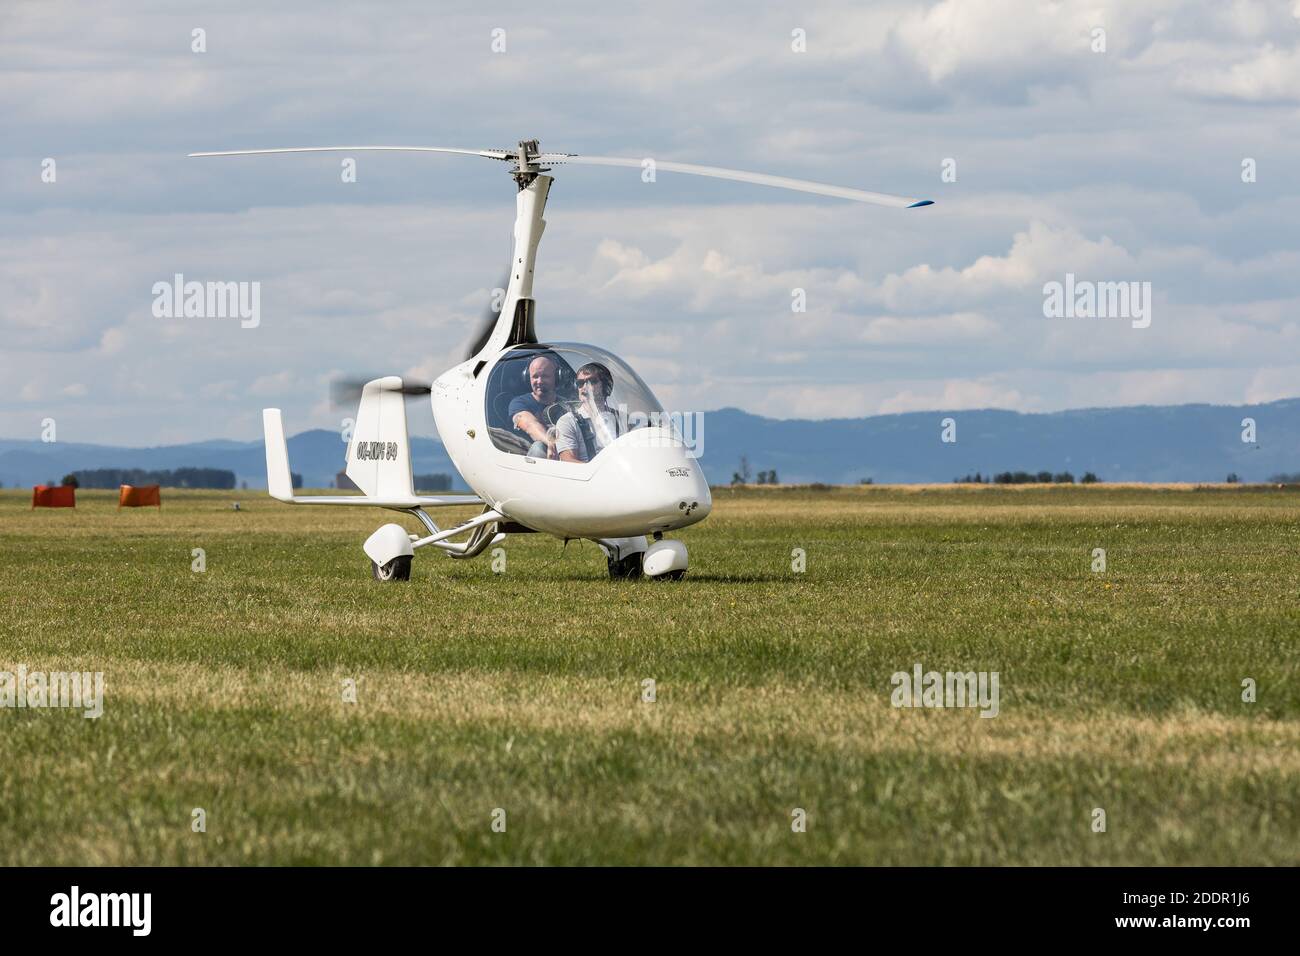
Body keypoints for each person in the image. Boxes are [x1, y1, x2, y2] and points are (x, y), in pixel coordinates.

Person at [555, 363, 622, 463]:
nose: (585, 387)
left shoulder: (621, 419)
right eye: (580, 383)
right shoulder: (567, 421)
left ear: (606, 386)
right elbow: (568, 461)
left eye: (592, 381)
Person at [508, 354, 560, 457]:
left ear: (557, 377)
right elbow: (530, 425)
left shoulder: (565, 405)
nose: (539, 381)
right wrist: (550, 443)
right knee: (539, 447)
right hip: (531, 462)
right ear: (528, 378)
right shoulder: (519, 403)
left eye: (545, 376)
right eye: (535, 376)